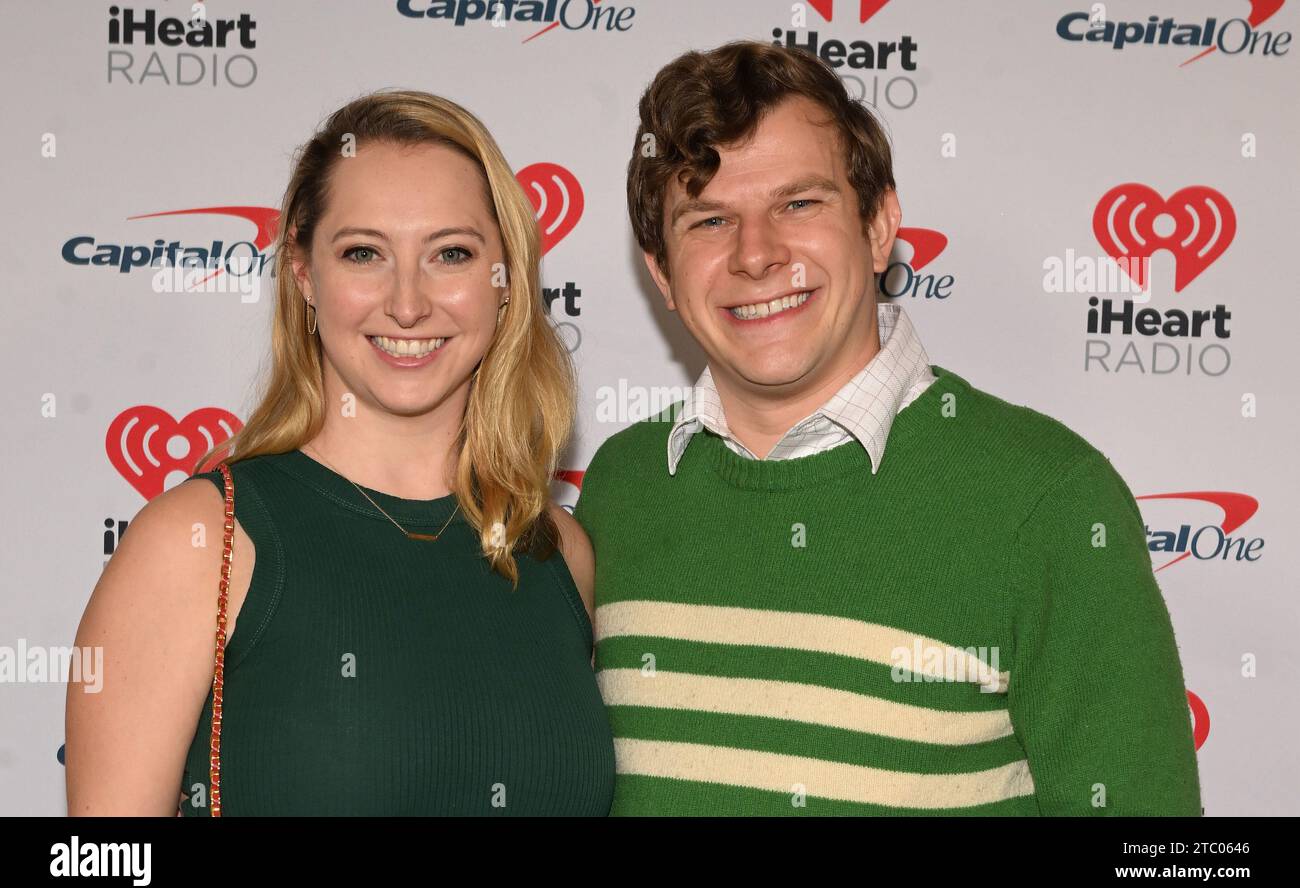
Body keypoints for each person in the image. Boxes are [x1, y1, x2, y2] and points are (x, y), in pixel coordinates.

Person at [572, 41, 1202, 816]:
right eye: (709, 220)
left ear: (879, 227)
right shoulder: (622, 487)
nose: (757, 255)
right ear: (663, 272)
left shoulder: (1050, 500)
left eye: (799, 204)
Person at [65, 90, 614, 816]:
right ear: (303, 273)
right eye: (364, 253)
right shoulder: (201, 542)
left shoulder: (556, 551)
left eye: (451, 253)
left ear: (505, 282)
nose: (408, 303)